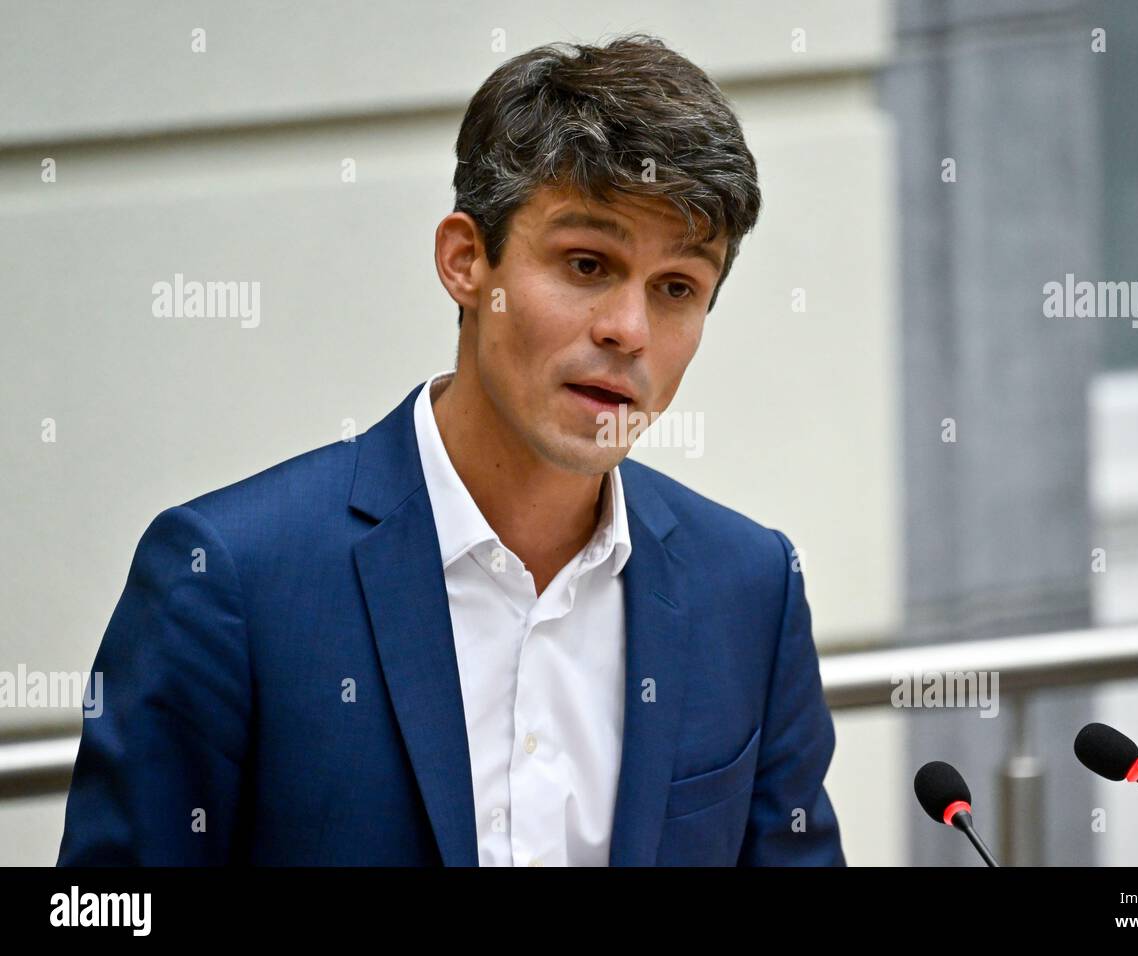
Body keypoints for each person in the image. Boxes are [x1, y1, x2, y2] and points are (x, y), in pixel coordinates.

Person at [57, 33, 845, 866]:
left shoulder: (750, 587)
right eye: (586, 263)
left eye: (678, 287)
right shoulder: (231, 578)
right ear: (466, 260)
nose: (629, 330)